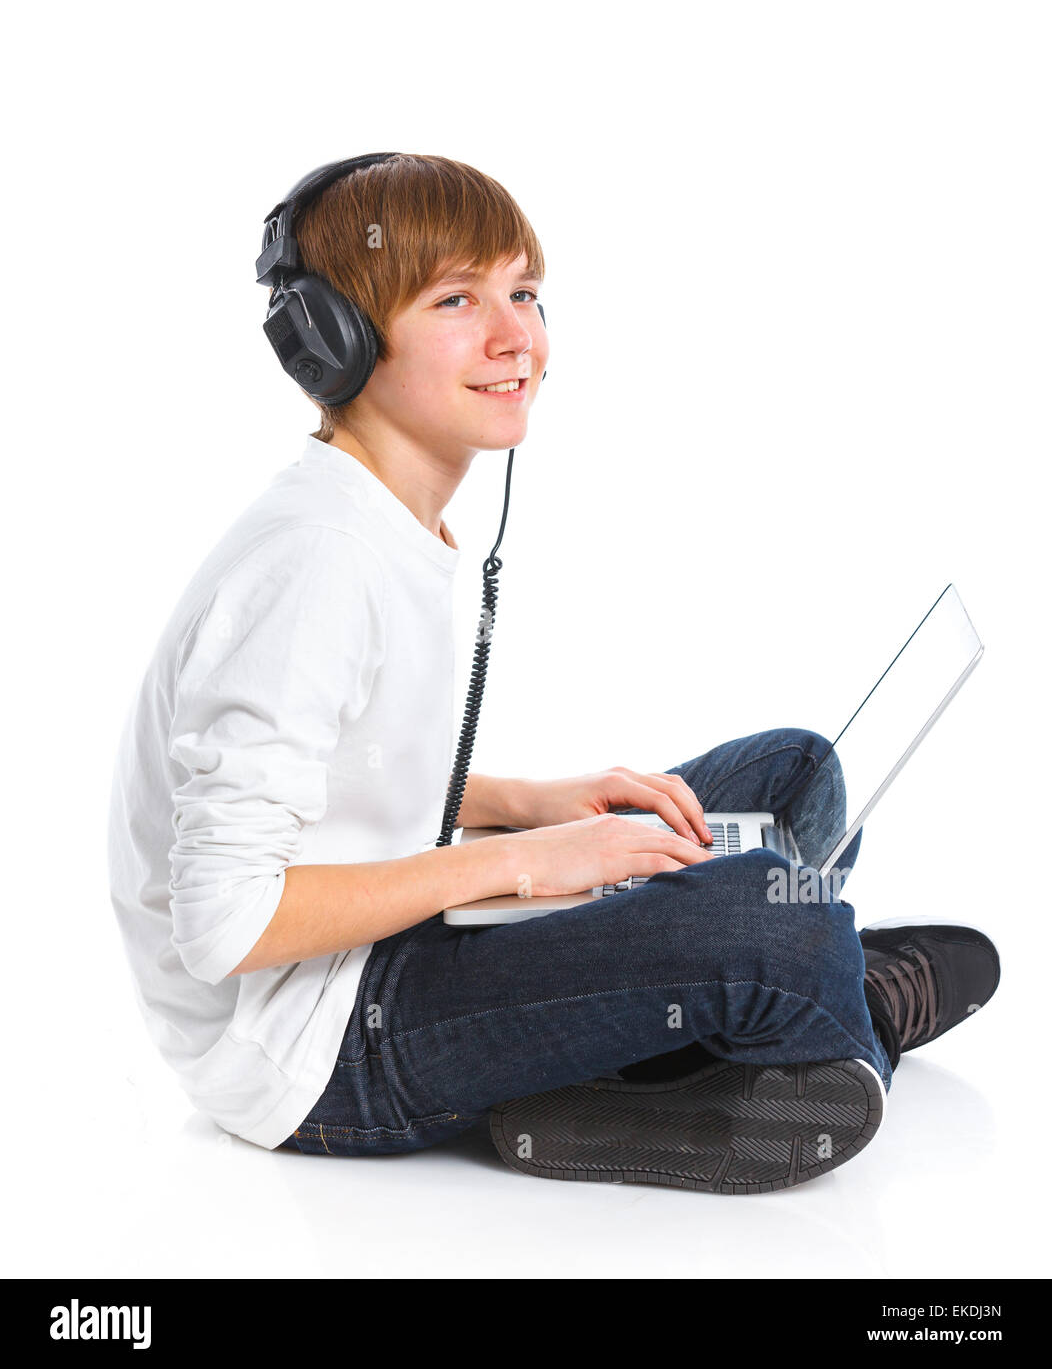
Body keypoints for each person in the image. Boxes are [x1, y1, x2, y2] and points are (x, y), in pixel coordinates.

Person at [108, 153, 999, 1194]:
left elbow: (344, 766)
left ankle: (757, 986)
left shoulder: (382, 520)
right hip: (317, 1044)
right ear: (335, 337)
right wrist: (525, 864)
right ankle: (829, 998)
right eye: (456, 299)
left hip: (385, 940)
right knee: (770, 922)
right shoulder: (318, 561)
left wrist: (529, 805)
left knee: (790, 777)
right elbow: (225, 923)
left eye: (522, 293)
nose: (514, 337)